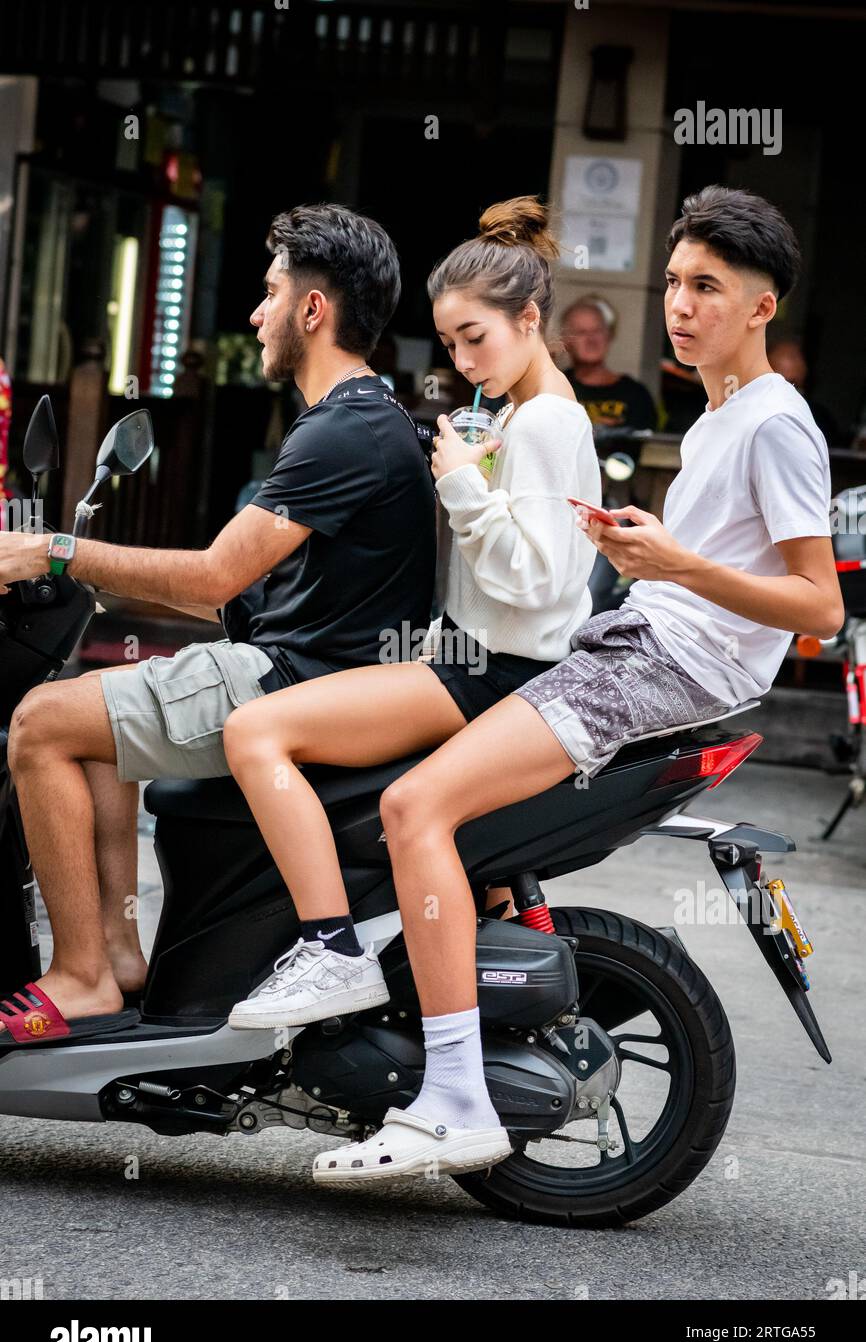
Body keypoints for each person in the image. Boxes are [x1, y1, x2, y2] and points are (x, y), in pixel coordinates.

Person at [311, 184, 845, 1184]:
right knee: (433, 799)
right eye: (675, 284)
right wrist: (643, 550)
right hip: (634, 641)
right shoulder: (720, 415)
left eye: (707, 289)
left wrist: (673, 566)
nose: (680, 306)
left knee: (412, 806)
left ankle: (456, 1100)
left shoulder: (776, 421)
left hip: (658, 667)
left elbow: (815, 605)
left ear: (761, 308)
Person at [0, 203, 437, 1044]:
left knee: (39, 724)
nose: (256, 313)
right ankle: (118, 956)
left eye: (270, 293)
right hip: (302, 666)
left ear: (314, 310)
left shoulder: (342, 432)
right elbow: (225, 592)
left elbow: (213, 572)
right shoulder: (364, 421)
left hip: (293, 682)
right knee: (96, 717)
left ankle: (81, 974)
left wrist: (52, 553)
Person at [221, 196, 600, 1033]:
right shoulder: (517, 414)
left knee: (255, 733)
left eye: (479, 338)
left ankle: (331, 953)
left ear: (530, 318)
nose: (464, 360)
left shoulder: (544, 423)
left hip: (486, 676)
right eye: (453, 342)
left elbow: (533, 581)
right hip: (468, 662)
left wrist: (461, 480)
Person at [560, 295, 657, 430]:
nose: (591, 339)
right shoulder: (556, 388)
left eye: (597, 331)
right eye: (581, 332)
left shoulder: (635, 393)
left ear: (609, 335)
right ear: (565, 341)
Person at [767, 337, 843, 447]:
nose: (789, 391)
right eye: (782, 383)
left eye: (794, 385)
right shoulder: (750, 413)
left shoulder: (819, 418)